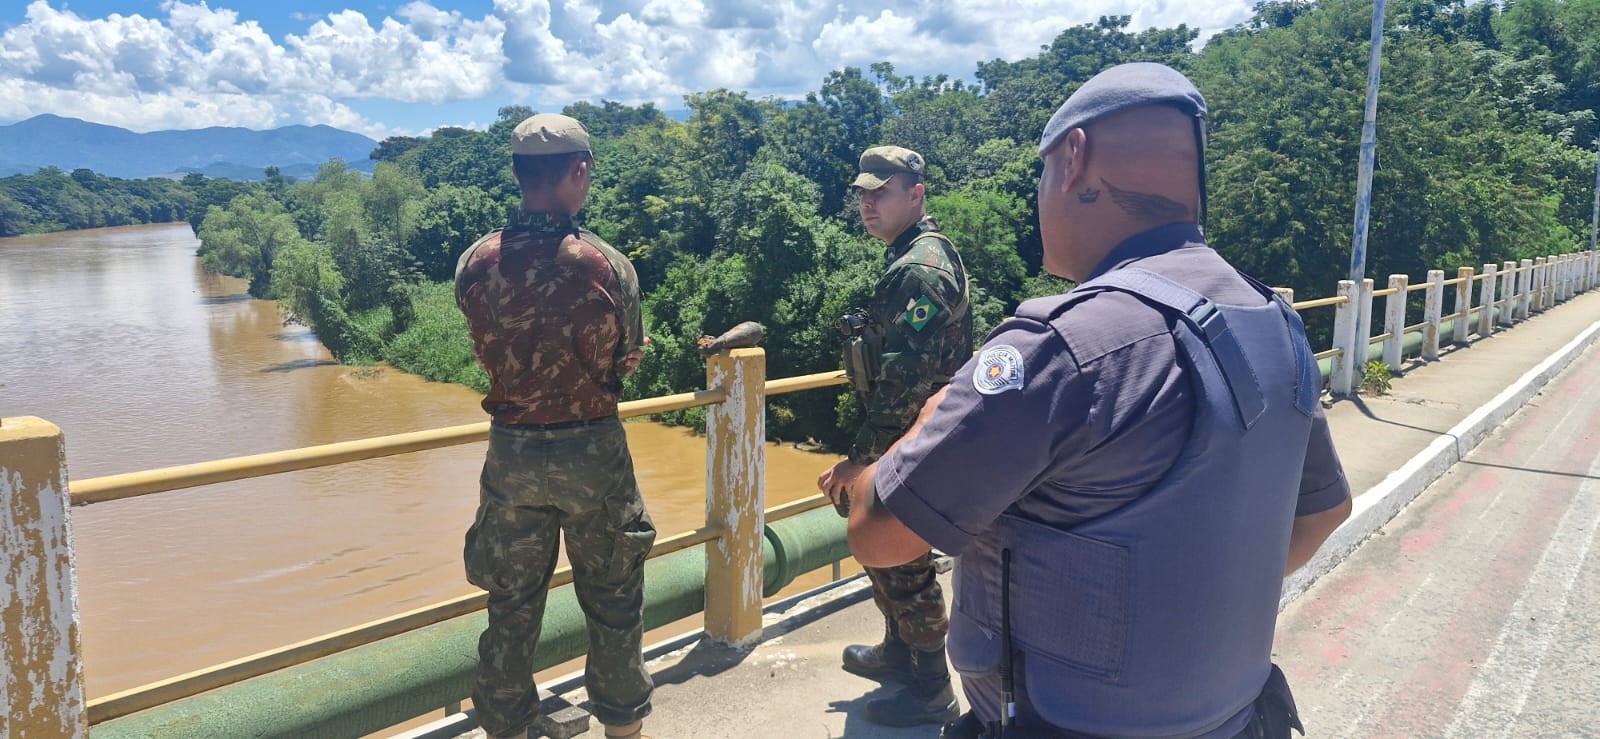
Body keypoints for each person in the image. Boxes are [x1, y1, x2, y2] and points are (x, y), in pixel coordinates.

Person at [831, 63, 1354, 738]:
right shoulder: (1271, 320)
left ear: (1073, 159)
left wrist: (923, 425)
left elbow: (877, 532)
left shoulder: (1062, 343)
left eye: (1041, 173)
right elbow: (1324, 510)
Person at [455, 113, 655, 739]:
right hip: (591, 447)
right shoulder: (603, 264)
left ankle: (510, 725)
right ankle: (623, 727)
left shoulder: (475, 262)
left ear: (517, 174)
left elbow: (482, 345)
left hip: (511, 452)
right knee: (614, 596)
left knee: (510, 601)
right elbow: (627, 357)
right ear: (579, 171)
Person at [818, 145, 973, 727]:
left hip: (912, 440)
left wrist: (860, 460)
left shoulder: (918, 269)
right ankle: (899, 651)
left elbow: (905, 379)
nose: (867, 203)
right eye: (862, 192)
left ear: (916, 194)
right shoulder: (913, 256)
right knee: (888, 552)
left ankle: (930, 685)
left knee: (902, 555)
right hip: (908, 434)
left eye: (880, 192)